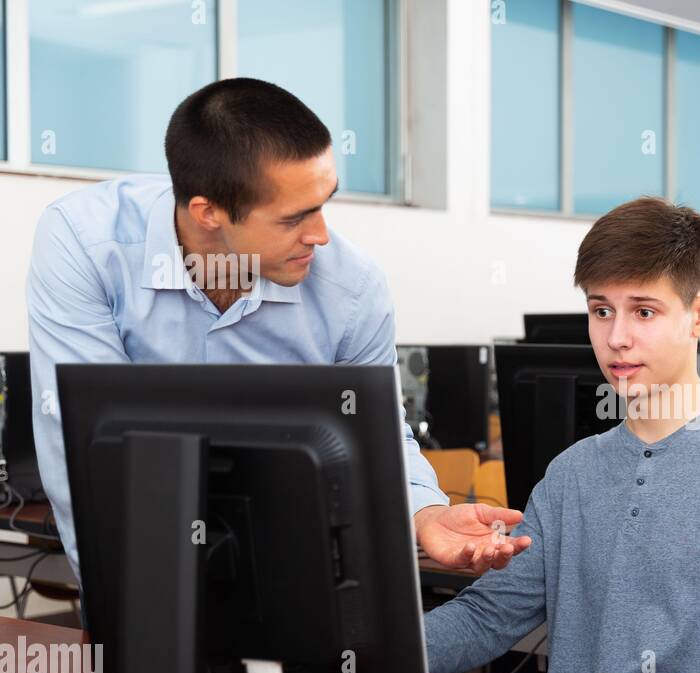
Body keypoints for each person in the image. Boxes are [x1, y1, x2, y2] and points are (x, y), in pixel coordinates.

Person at [25, 78, 529, 582]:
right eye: (293, 218)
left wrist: (424, 513)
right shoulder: (87, 243)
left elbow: (374, 432)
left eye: (324, 202)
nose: (321, 234)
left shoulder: (351, 289)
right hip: (139, 559)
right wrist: (136, 598)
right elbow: (83, 442)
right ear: (209, 214)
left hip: (297, 569)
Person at [424, 198, 700, 673]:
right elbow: (489, 617)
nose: (616, 338)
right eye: (601, 310)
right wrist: (368, 648)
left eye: (645, 312)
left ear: (699, 315)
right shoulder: (571, 472)